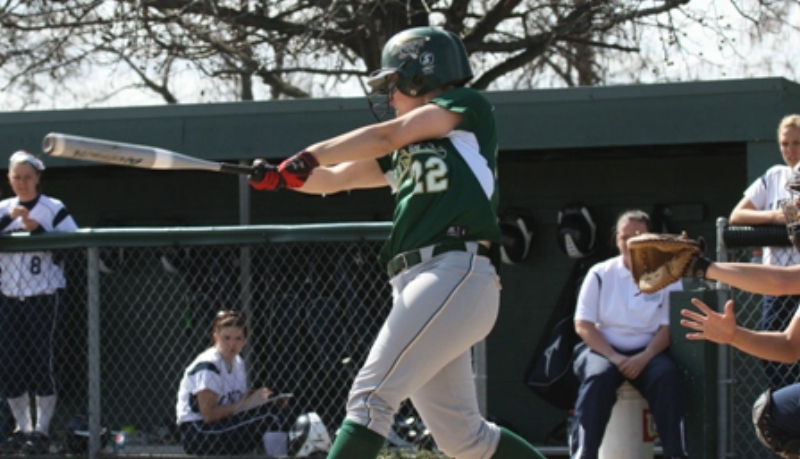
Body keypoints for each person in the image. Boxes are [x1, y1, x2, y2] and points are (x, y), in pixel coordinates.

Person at [248, 26, 545, 459]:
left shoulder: (467, 107)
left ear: (420, 75)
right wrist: (282, 179)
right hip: (419, 282)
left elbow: (390, 133)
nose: (390, 95)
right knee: (465, 440)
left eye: (394, 83)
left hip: (454, 270)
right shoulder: (403, 150)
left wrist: (307, 155)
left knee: (370, 401)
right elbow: (336, 178)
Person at [571, 210, 688, 459]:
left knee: (668, 377)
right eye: (626, 237)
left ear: (651, 238)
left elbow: (668, 328)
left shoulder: (667, 275)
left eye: (640, 236)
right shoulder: (599, 274)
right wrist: (614, 357)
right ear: (616, 240)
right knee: (597, 378)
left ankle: (676, 454)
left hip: (650, 353)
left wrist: (643, 357)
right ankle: (585, 453)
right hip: (604, 351)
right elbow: (583, 325)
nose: (632, 243)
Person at [0, 151, 79, 455]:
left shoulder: (53, 208)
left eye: (27, 177)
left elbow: (73, 246)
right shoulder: (5, 209)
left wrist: (39, 232)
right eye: (16, 177)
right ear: (9, 179)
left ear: (37, 178)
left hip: (44, 295)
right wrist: (11, 218)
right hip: (9, 294)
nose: (22, 182)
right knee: (10, 364)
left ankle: (42, 430)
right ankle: (23, 428)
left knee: (40, 361)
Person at [728, 114, 800, 389]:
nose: (791, 150)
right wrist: (773, 216)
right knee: (774, 352)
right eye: (785, 144)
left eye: (797, 143)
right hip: (776, 281)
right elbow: (737, 215)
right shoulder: (774, 175)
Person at [176, 310, 293, 456]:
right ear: (216, 338)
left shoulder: (237, 362)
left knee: (278, 412)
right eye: (226, 338)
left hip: (222, 425)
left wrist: (262, 399)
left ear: (244, 341)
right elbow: (209, 415)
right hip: (199, 432)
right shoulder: (209, 365)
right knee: (271, 417)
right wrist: (249, 403)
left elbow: (235, 399)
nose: (232, 344)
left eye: (238, 338)